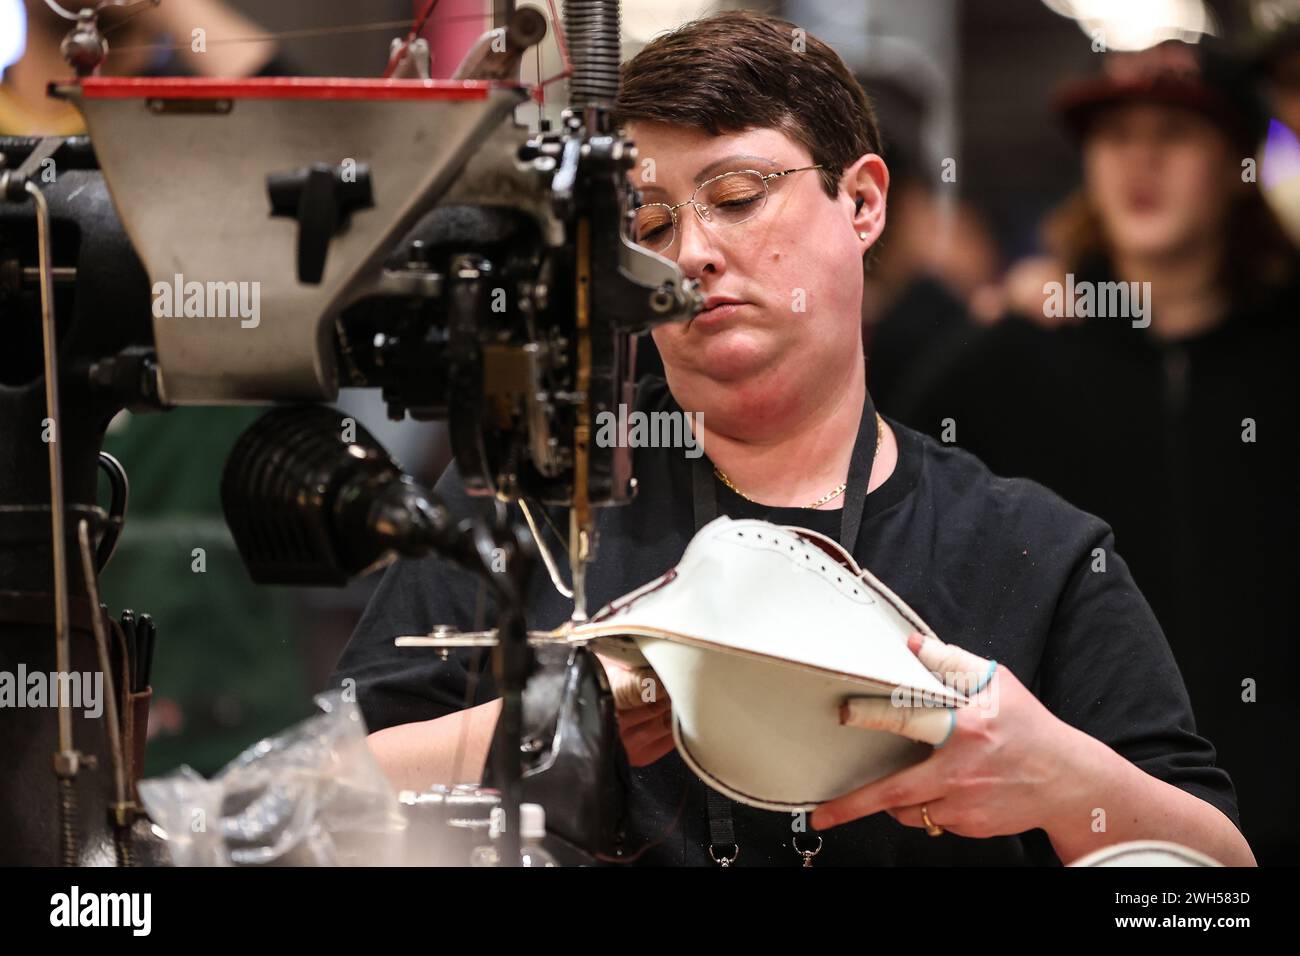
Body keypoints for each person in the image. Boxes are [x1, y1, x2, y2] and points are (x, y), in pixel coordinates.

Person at [330, 11, 1254, 866]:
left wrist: (1061, 778)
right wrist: (558, 718)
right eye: (649, 223)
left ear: (861, 204)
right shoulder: (529, 495)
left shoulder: (1035, 556)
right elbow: (320, 797)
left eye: (736, 196)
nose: (690, 252)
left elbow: (1213, 885)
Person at [901, 39, 1299, 864]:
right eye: (1116, 137)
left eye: (1175, 134)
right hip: (1081, 821)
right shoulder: (1011, 355)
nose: (1140, 160)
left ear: (1239, 164)